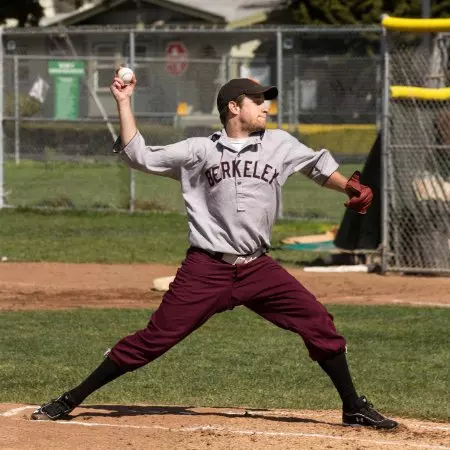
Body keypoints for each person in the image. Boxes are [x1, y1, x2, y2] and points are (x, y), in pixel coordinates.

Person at [31, 71, 397, 430]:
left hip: (258, 268)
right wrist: (124, 102)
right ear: (234, 108)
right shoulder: (199, 150)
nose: (265, 106)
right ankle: (73, 398)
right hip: (206, 269)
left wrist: (347, 187)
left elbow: (316, 166)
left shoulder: (279, 144)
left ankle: (353, 407)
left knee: (318, 323)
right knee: (154, 340)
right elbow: (138, 155)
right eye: (257, 100)